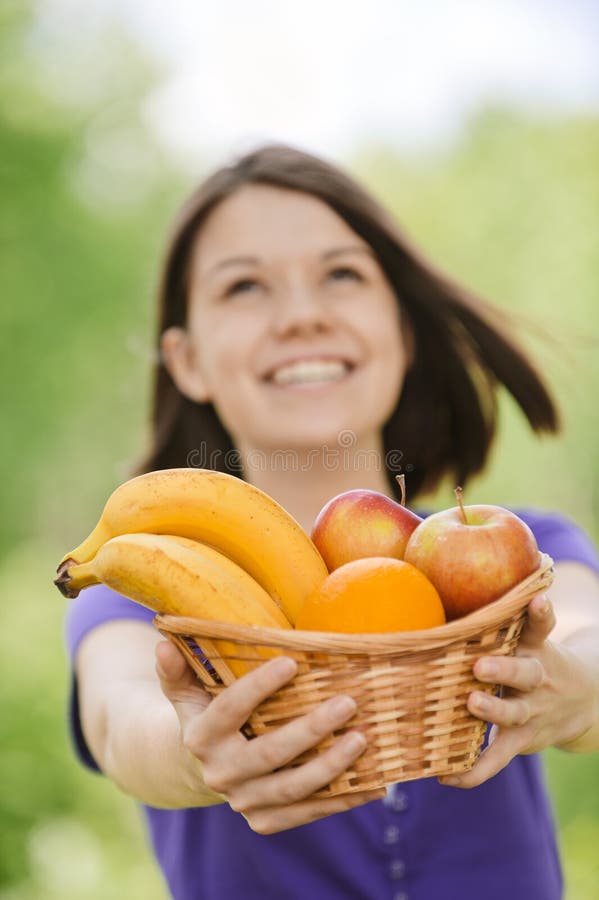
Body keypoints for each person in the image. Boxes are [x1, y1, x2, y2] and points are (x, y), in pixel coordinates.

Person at [65, 144, 599, 900]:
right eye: (245, 286)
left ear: (401, 329)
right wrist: (193, 754)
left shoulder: (522, 550)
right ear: (186, 361)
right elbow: (122, 720)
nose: (302, 315)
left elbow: (586, 637)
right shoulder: (148, 580)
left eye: (340, 275)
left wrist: (574, 688)